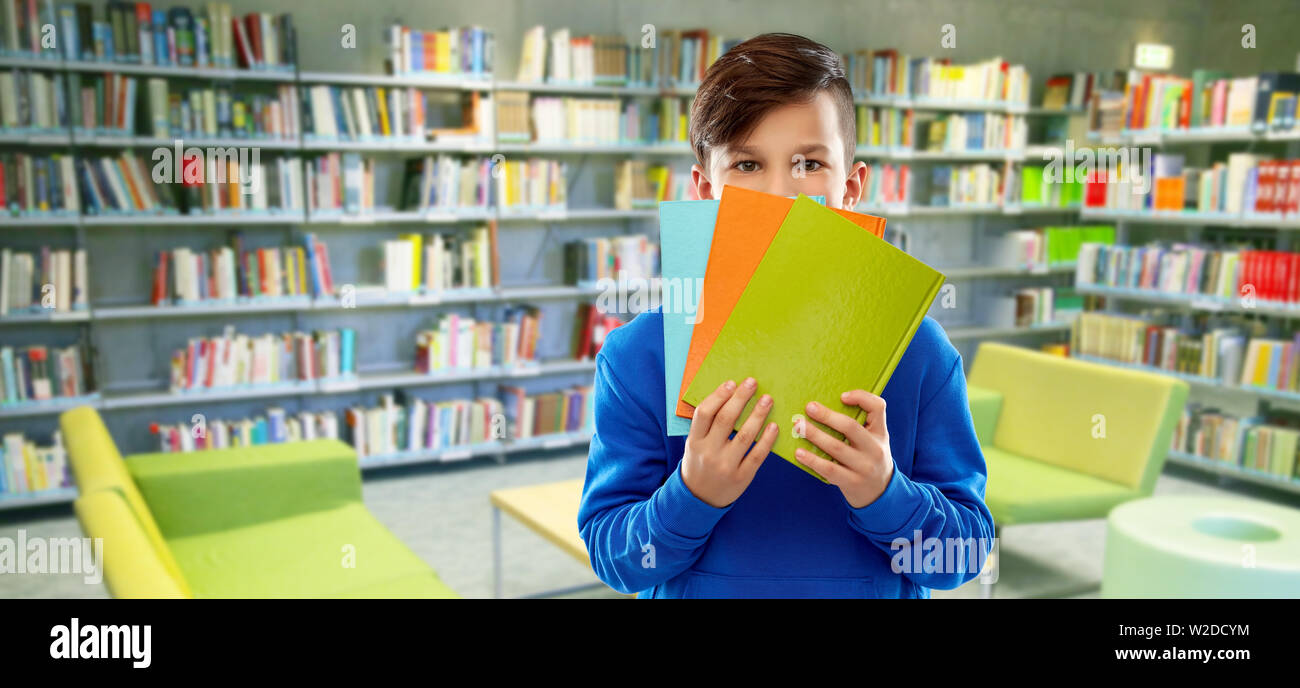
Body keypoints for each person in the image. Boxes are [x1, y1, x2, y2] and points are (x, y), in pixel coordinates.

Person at [577, 32, 994, 598]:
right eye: (747, 164)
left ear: (851, 188)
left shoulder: (918, 349)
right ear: (706, 192)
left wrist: (884, 491)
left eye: (809, 163)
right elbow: (615, 559)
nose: (780, 195)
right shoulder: (639, 356)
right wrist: (693, 494)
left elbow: (964, 556)